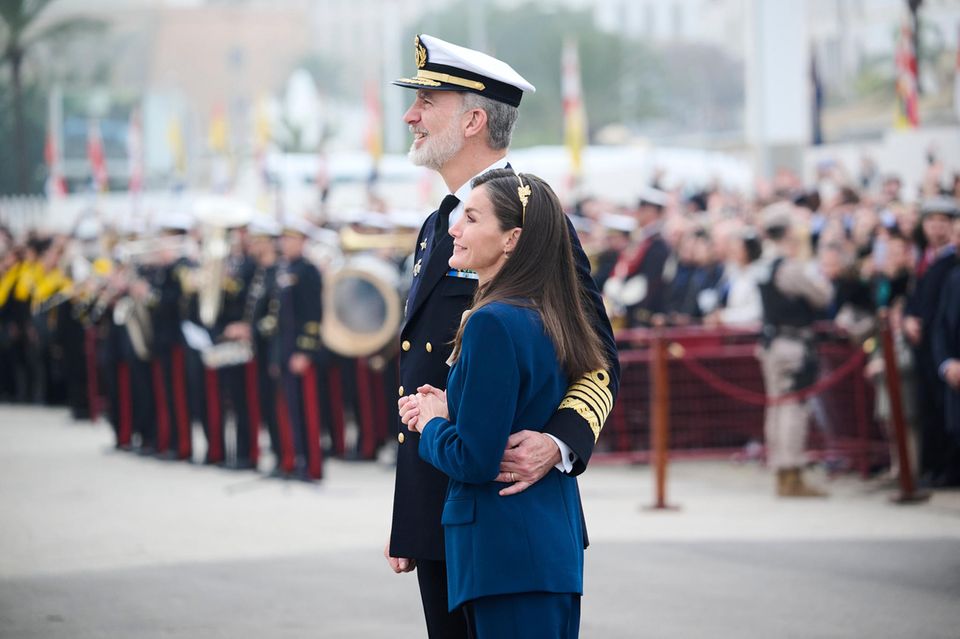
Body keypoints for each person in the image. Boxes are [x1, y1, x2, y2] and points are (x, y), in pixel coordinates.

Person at [385, 34, 619, 638]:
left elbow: (596, 360)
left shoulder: (528, 220)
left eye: (427, 101)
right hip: (442, 506)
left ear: (473, 118)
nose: (411, 115)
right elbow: (422, 374)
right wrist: (409, 519)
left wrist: (558, 443)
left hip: (503, 506)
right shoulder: (439, 224)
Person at [403, 170, 604, 638]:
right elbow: (523, 406)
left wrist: (432, 423)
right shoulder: (547, 311)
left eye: (471, 218)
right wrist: (457, 407)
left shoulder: (493, 322)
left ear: (512, 239)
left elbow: (475, 460)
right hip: (543, 546)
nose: (455, 228)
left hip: (504, 550)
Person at [756, 202, 833, 497]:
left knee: (776, 406)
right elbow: (821, 295)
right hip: (792, 344)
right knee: (792, 407)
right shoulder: (787, 266)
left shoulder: (764, 264)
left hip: (771, 343)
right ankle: (791, 472)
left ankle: (782, 471)